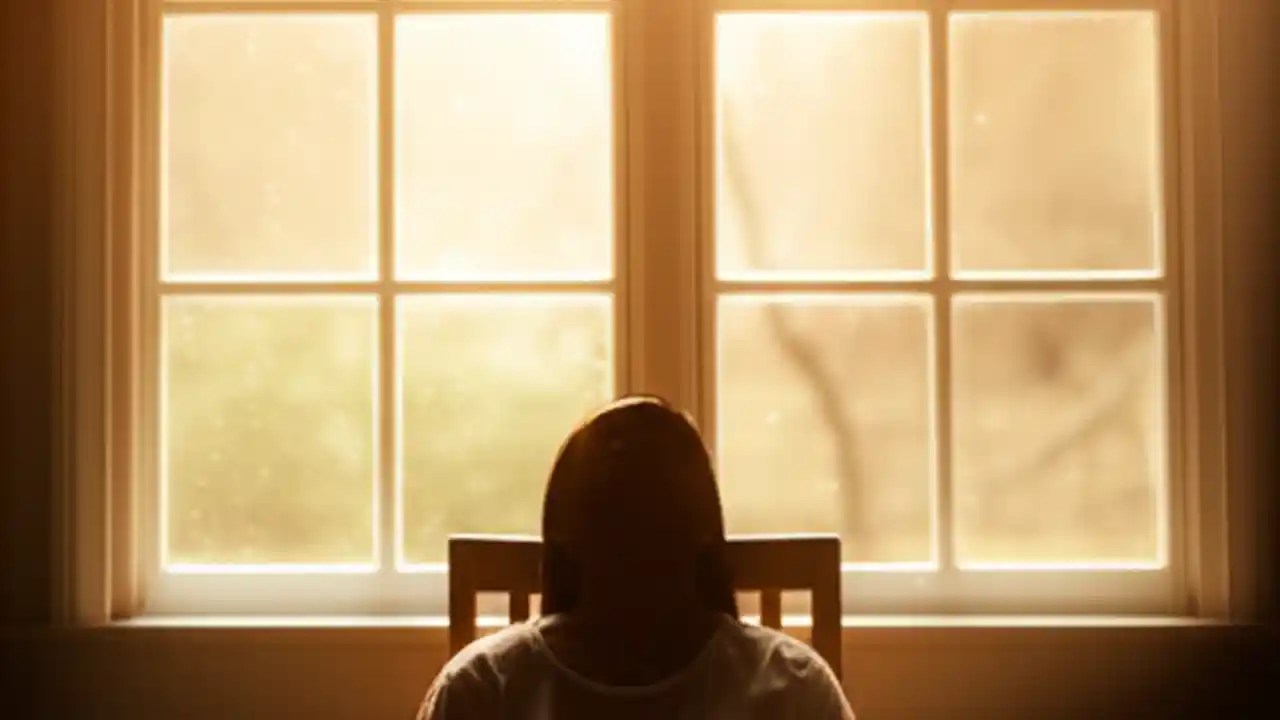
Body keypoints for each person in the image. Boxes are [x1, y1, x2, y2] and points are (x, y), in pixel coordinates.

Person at [416, 395, 855, 720]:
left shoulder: (484, 688)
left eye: (652, 518)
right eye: (617, 517)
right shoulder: (792, 687)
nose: (635, 549)